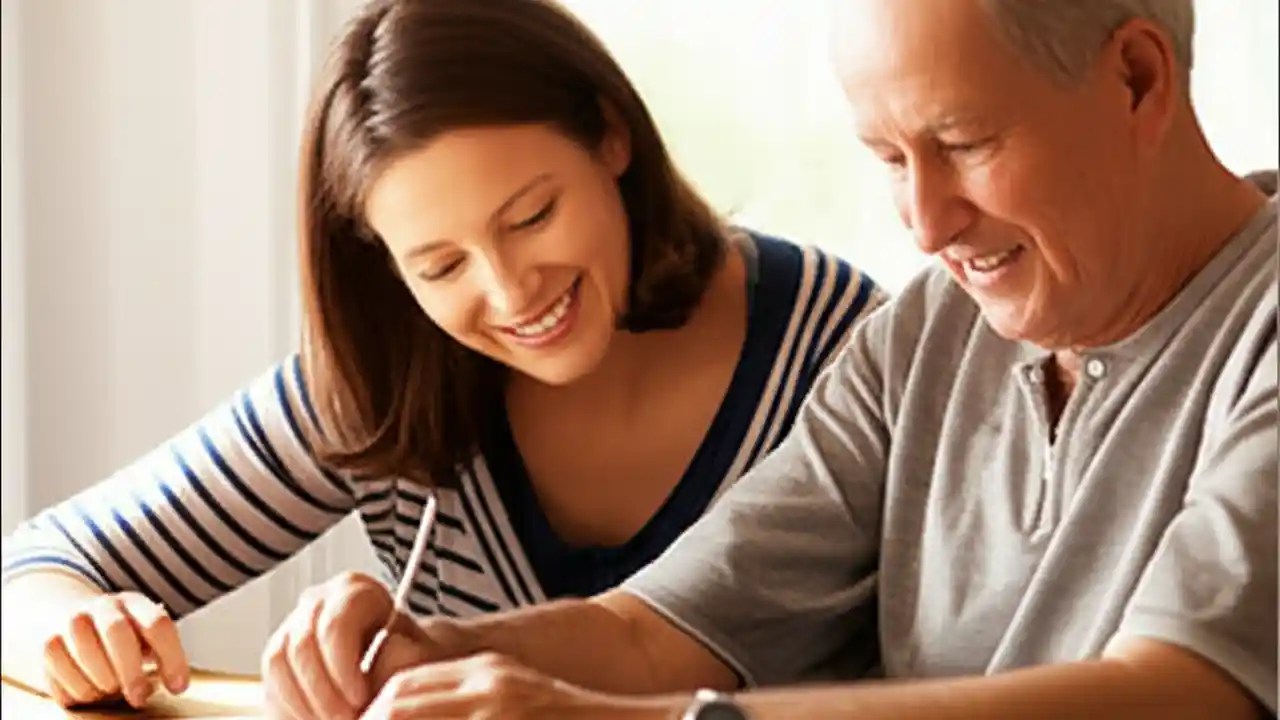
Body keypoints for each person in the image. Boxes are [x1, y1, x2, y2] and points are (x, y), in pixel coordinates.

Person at [261, 0, 1277, 718]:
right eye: (888, 158)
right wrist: (434, 653)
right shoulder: (928, 329)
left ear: (1137, 79)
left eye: (964, 142)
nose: (924, 225)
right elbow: (659, 631)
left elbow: (1179, 694)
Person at [0, 0, 886, 713]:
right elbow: (34, 569)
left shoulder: (845, 351)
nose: (510, 292)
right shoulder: (390, 377)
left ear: (611, 136)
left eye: (532, 217)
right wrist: (78, 636)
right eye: (441, 266)